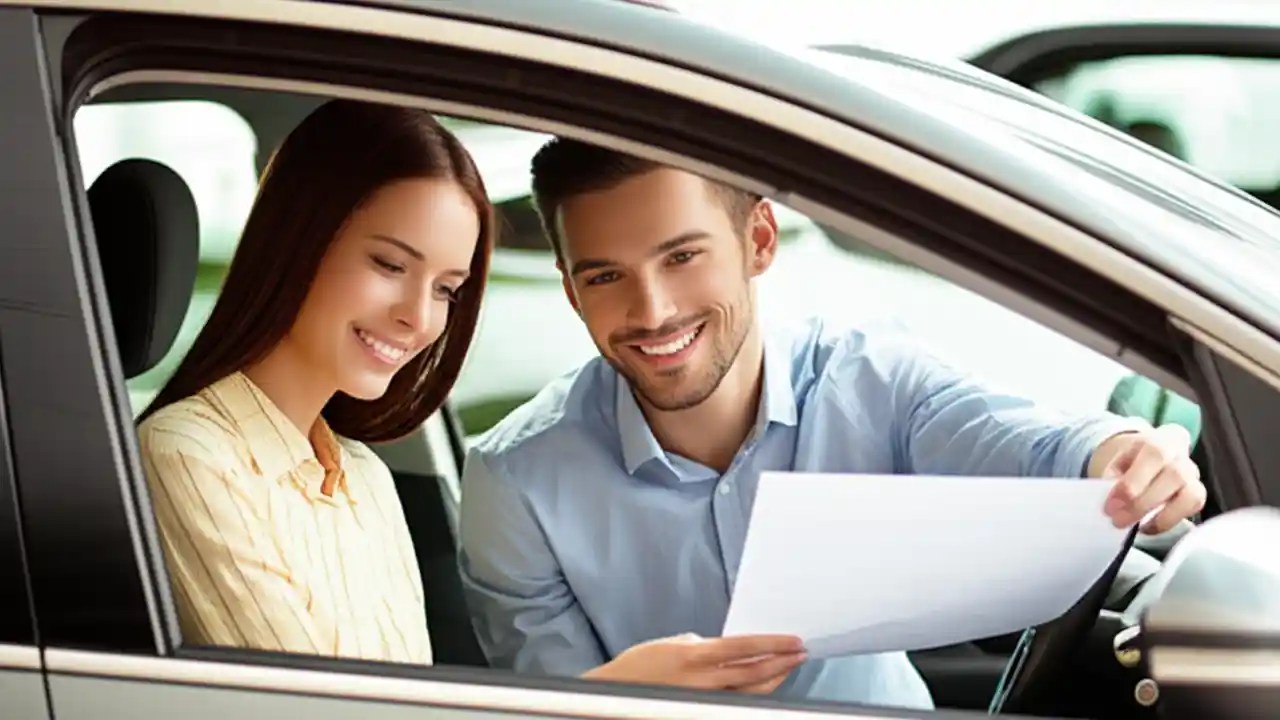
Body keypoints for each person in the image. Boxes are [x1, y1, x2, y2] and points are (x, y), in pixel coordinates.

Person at [456, 139, 1207, 709]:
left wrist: (1124, 454)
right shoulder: (515, 481)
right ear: (570, 288)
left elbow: (1034, 445)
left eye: (682, 257)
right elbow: (547, 705)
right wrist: (629, 700)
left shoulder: (870, 380)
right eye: (606, 276)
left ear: (758, 242)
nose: (651, 311)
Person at [138, 100, 803, 688]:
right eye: (390, 265)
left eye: (445, 289)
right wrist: (615, 693)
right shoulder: (187, 455)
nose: (418, 319)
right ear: (300, 241)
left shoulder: (364, 478)